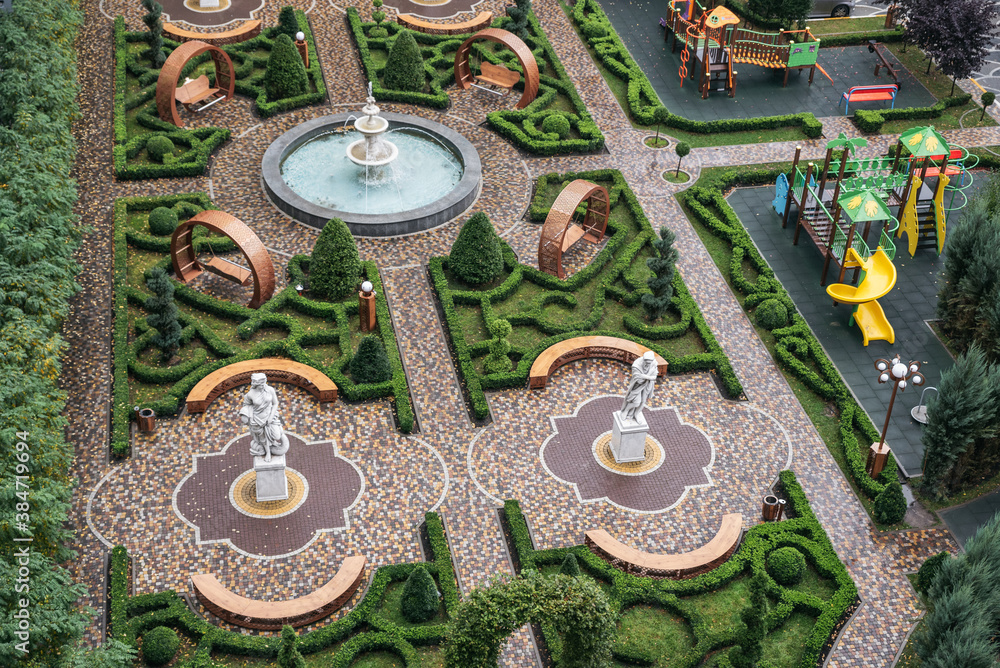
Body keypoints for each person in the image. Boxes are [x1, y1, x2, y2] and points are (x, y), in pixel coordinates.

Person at [238, 373, 290, 461]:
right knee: (263, 438)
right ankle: (268, 452)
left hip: (270, 416)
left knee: (277, 436)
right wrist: (245, 414)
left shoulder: (270, 390)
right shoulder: (250, 394)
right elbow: (246, 405)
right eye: (260, 384)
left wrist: (270, 417)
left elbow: (275, 403)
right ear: (255, 384)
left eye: (263, 383)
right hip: (257, 419)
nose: (263, 386)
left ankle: (273, 443)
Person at [620, 351, 657, 423]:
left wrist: (645, 376)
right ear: (643, 360)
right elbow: (639, 380)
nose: (648, 365)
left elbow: (654, 376)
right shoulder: (636, 365)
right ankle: (626, 410)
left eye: (649, 363)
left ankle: (636, 414)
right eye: (646, 363)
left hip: (647, 385)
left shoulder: (654, 363)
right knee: (636, 402)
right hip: (637, 386)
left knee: (643, 402)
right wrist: (649, 376)